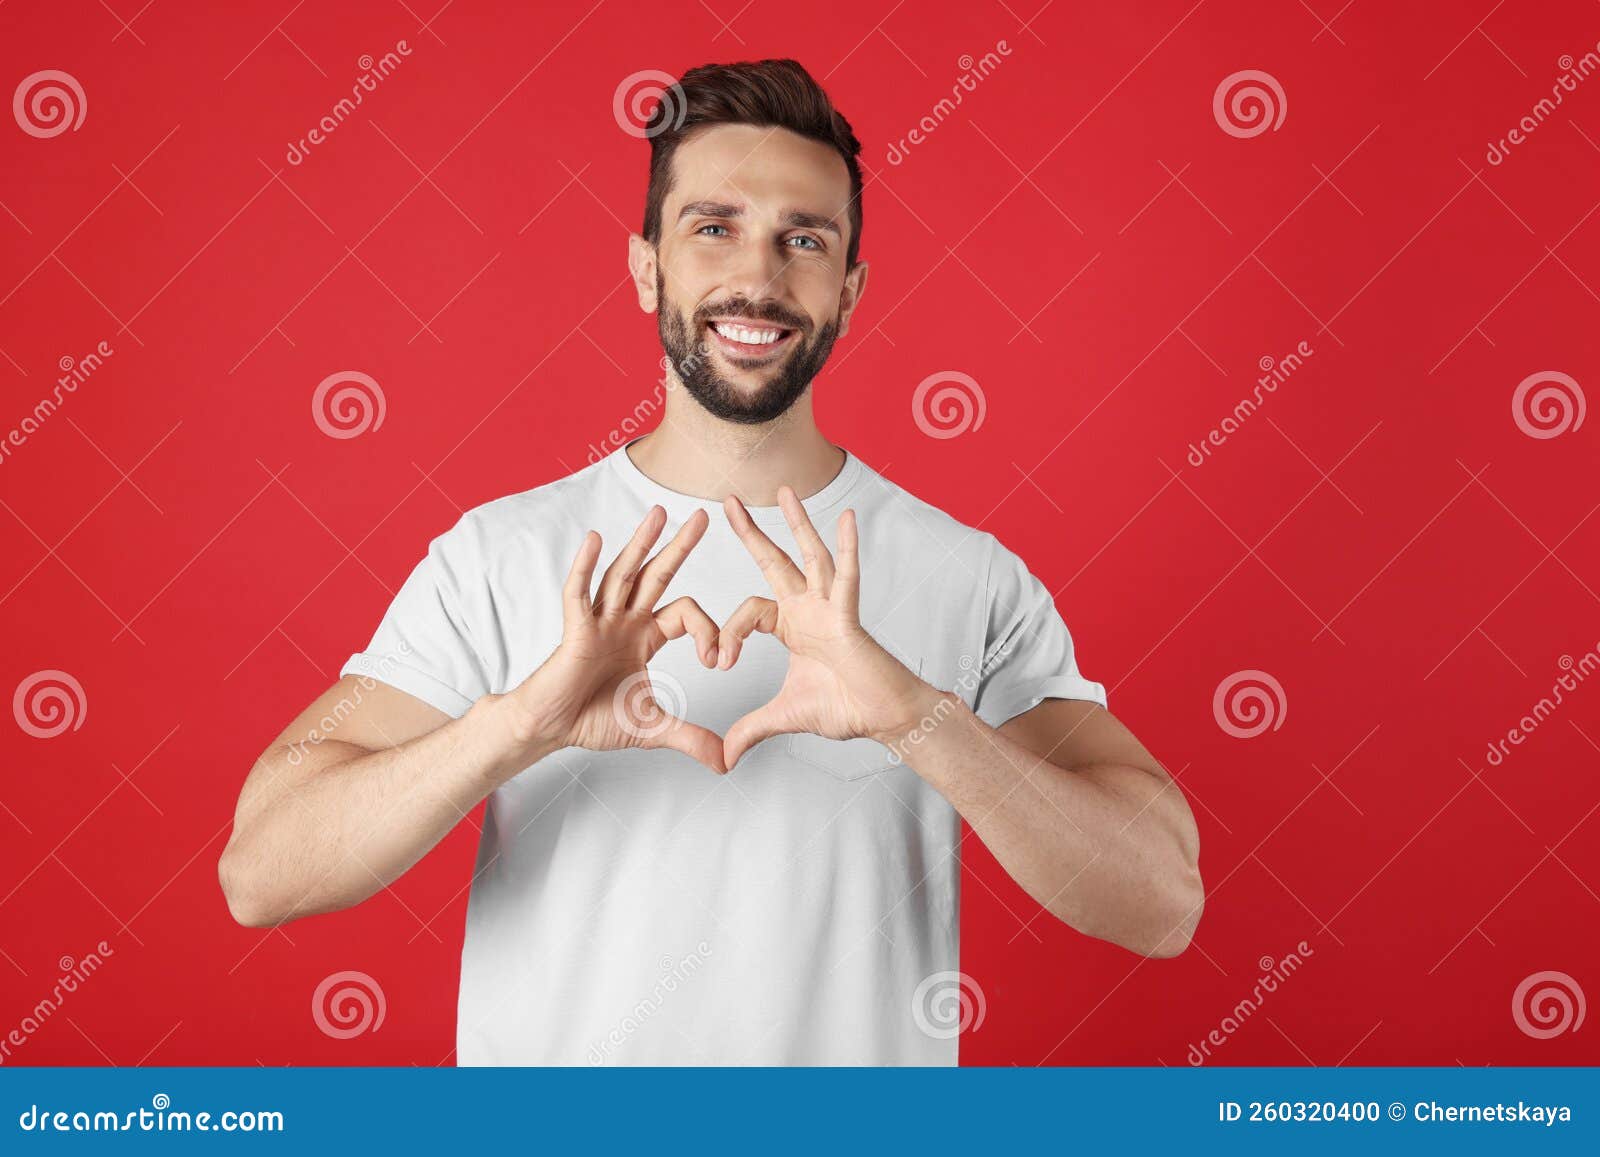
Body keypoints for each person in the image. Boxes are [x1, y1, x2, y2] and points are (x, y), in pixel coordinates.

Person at [218, 58, 1203, 1066]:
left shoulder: (968, 575)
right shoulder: (500, 555)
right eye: (714, 227)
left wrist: (918, 715)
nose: (760, 279)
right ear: (648, 266)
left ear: (849, 289)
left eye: (803, 240)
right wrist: (515, 727)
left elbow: (1162, 901)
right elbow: (261, 872)